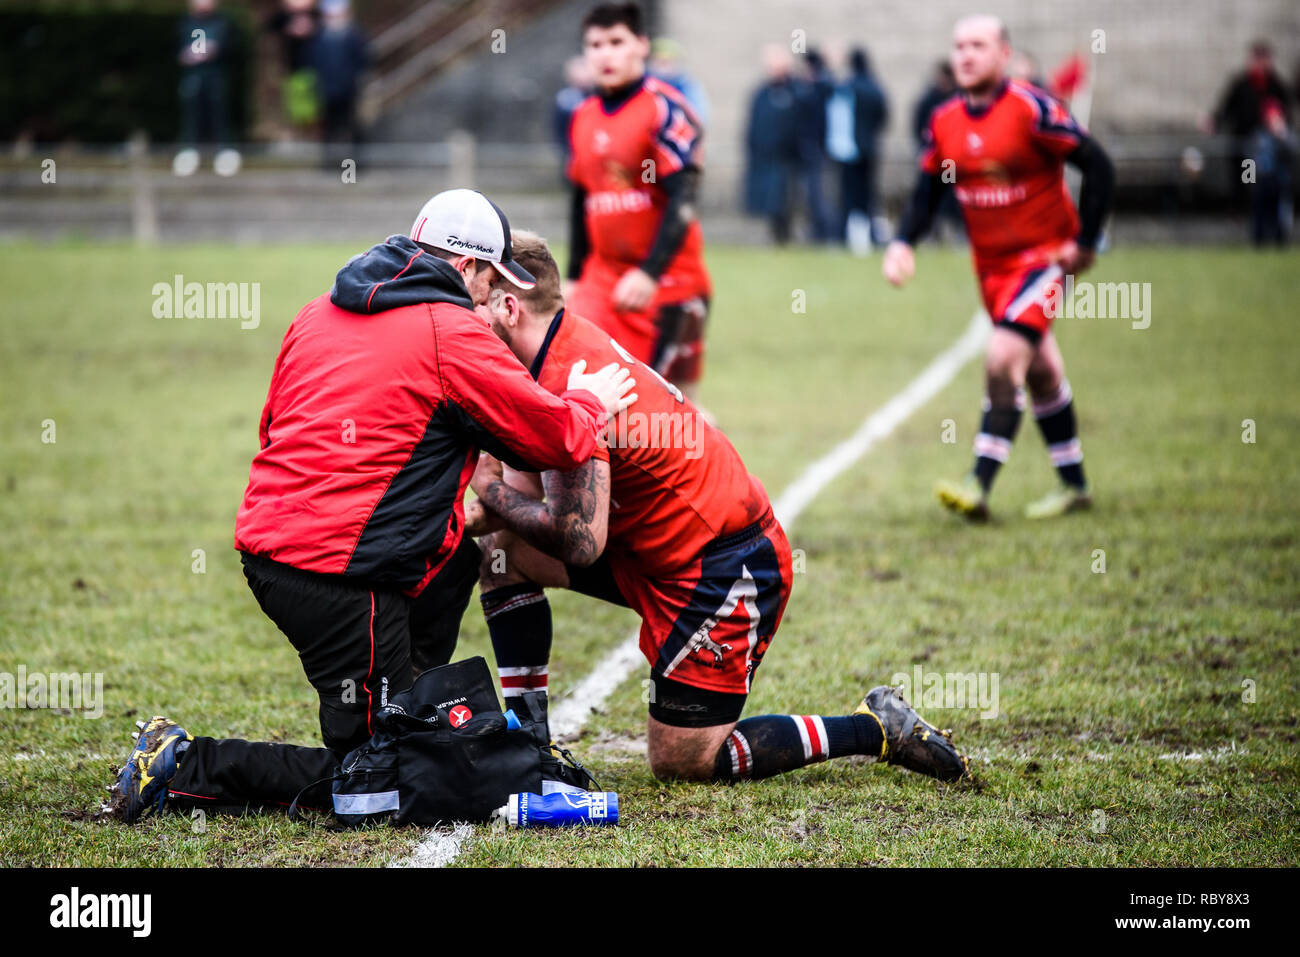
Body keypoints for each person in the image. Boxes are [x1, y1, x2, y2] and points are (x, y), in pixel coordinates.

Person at [106, 191, 639, 822]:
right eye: (490, 281)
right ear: (467, 268)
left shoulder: (318, 311)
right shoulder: (452, 329)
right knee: (381, 779)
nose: (488, 302)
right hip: (336, 579)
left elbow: (275, 425)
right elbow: (549, 435)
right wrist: (587, 401)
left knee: (454, 563)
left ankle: (399, 705)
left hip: (283, 550)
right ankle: (182, 765)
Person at [467, 232, 970, 784]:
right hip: (655, 549)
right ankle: (531, 745)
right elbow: (522, 501)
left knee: (684, 763)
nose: (461, 321)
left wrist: (486, 492)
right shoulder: (546, 353)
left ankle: (873, 728)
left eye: (471, 301)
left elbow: (578, 540)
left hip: (724, 566)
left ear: (509, 306)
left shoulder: (568, 378)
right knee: (502, 552)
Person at [882, 15, 1115, 521]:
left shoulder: (1032, 110)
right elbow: (927, 192)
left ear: (1003, 55)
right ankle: (1074, 484)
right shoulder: (945, 121)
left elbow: (1098, 164)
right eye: (959, 46)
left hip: (1047, 260)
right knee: (1042, 371)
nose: (966, 55)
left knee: (1000, 358)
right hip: (991, 270)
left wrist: (1087, 242)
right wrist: (903, 243)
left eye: (978, 45)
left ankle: (978, 484)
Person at [826, 46, 889, 252]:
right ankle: (868, 234)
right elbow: (883, 116)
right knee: (868, 193)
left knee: (850, 195)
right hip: (869, 149)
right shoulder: (875, 87)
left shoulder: (848, 87)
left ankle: (853, 237)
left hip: (850, 151)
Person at [743, 44, 802, 244]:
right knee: (770, 199)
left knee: (785, 198)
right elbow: (754, 124)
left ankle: (786, 233)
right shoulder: (761, 93)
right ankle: (776, 234)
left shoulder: (796, 91)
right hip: (765, 156)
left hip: (788, 157)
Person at [174, 0, 239, 177]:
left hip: (215, 76)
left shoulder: (223, 23)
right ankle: (189, 151)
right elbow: (178, 49)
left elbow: (231, 48)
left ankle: (224, 151)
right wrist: (186, 56)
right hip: (192, 76)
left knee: (219, 115)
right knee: (192, 115)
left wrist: (216, 50)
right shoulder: (185, 23)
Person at [309, 0, 369, 164]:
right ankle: (329, 162)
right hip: (326, 90)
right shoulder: (319, 38)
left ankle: (357, 163)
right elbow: (314, 63)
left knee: (352, 126)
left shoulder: (354, 37)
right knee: (328, 128)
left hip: (349, 90)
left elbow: (363, 61)